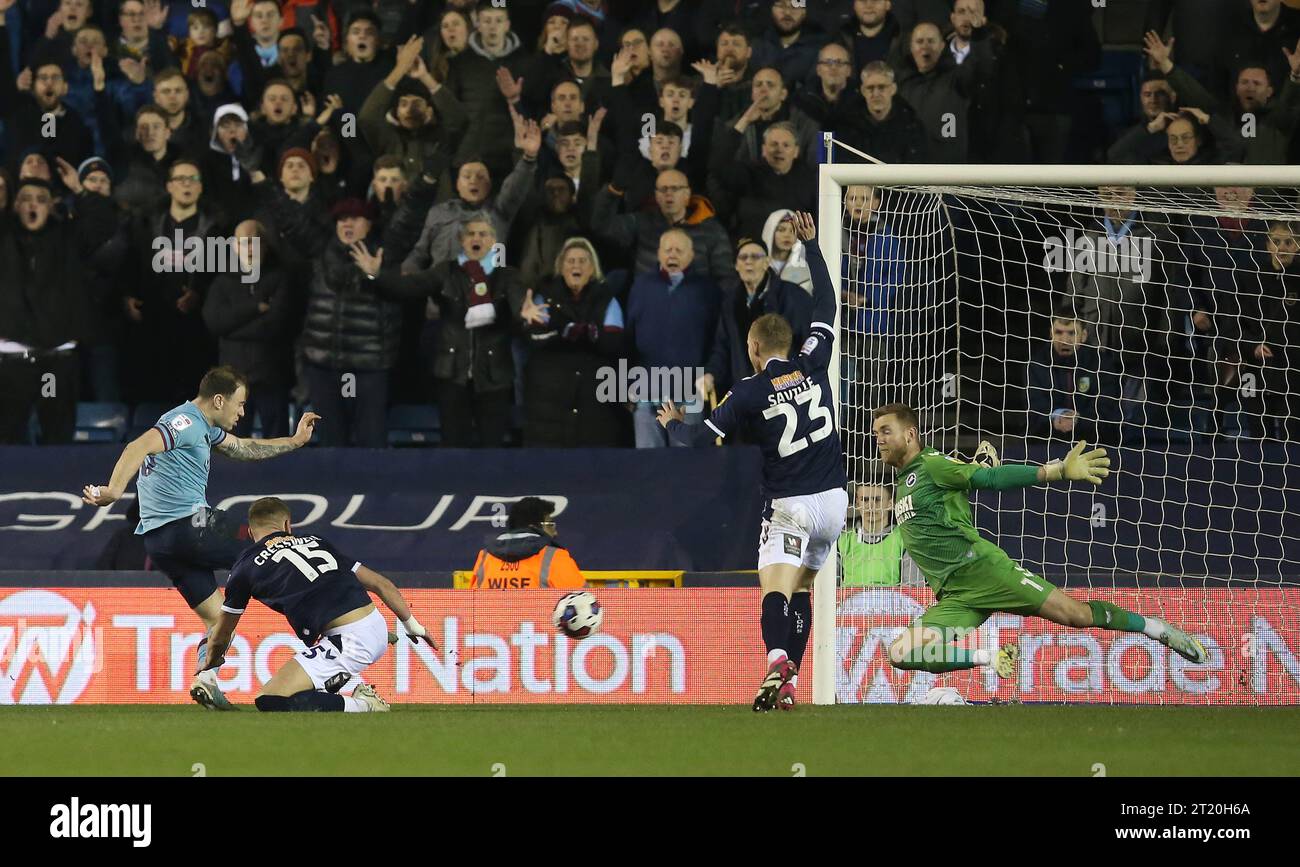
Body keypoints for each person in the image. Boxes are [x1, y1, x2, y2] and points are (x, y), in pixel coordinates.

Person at [869, 403, 1207, 680]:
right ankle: (991, 658)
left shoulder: (931, 465)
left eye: (886, 431)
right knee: (901, 652)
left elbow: (989, 479)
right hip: (957, 597)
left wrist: (1056, 470)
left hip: (986, 572)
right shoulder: (906, 481)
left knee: (1077, 616)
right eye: (876, 434)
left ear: (910, 433)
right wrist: (977, 466)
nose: (879, 440)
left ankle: (1156, 629)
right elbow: (963, 488)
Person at [658, 211, 844, 712]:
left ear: (755, 348)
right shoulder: (814, 359)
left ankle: (777, 659)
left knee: (775, 588)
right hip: (835, 503)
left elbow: (697, 442)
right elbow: (827, 305)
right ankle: (789, 684)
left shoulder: (748, 391)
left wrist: (673, 422)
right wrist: (813, 250)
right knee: (805, 586)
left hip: (791, 505)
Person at [80, 366, 321, 710]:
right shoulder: (187, 422)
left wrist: (295, 442)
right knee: (273, 548)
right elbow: (140, 444)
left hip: (160, 543)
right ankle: (332, 630)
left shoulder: (203, 427)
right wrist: (114, 490)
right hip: (191, 524)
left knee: (217, 619)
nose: (242, 412)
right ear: (219, 400)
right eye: (239, 405)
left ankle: (205, 679)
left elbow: (244, 448)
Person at [195, 496, 437, 711]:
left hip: (350, 641)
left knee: (271, 700)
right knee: (312, 665)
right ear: (288, 526)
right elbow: (382, 584)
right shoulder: (317, 541)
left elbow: (222, 631)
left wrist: (211, 663)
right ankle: (342, 678)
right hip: (372, 622)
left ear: (250, 532)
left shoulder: (244, 567)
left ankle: (364, 704)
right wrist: (412, 625)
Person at [469, 497, 586, 589]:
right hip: (542, 620)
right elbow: (584, 603)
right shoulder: (555, 556)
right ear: (534, 527)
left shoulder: (485, 557)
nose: (555, 532)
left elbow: (472, 605)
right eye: (550, 525)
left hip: (492, 620)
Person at [838, 479, 925, 587]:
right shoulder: (841, 540)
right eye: (865, 499)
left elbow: (914, 589)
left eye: (877, 500)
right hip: (849, 602)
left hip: (893, 602)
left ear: (890, 503)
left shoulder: (906, 538)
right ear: (857, 503)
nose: (870, 505)